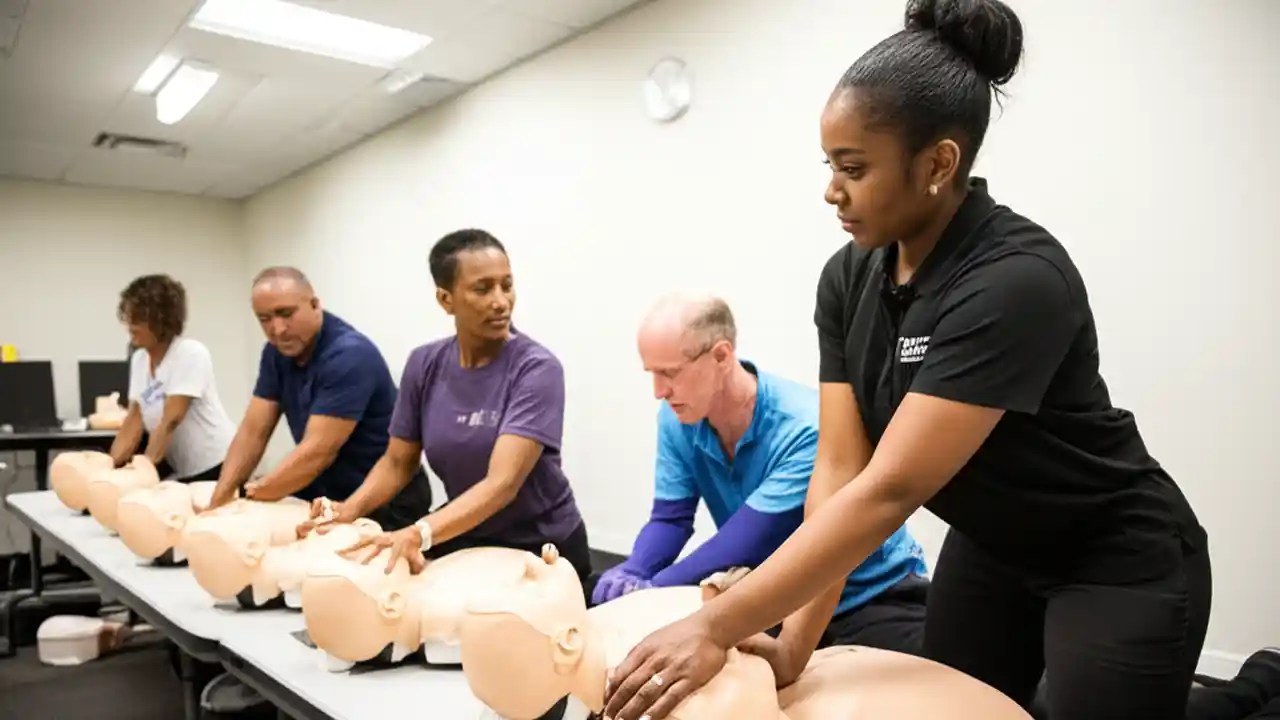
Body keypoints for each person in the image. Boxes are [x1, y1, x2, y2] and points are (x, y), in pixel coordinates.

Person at [601, 2, 1211, 720]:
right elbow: (841, 471)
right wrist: (798, 640)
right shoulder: (848, 277)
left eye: (853, 168)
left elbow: (890, 491)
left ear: (937, 164)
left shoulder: (1015, 280)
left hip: (1112, 553)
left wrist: (713, 627)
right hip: (993, 546)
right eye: (829, 164)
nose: (832, 189)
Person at [592, 292, 928, 656]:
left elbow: (749, 540)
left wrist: (649, 593)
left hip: (870, 594)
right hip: (778, 598)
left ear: (721, 356)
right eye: (652, 374)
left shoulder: (805, 428)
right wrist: (631, 572)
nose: (659, 391)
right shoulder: (679, 416)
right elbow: (670, 519)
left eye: (670, 373)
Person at [317, 229, 593, 581]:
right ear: (446, 300)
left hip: (541, 545)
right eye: (483, 288)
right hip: (469, 534)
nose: (500, 301)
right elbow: (398, 461)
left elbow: (502, 483)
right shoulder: (424, 364)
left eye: (506, 285)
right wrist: (348, 510)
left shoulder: (536, 369)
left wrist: (421, 532)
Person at [206, 267, 432, 533]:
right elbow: (253, 432)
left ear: (315, 305)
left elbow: (318, 452)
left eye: (286, 314)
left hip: (385, 497)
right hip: (326, 492)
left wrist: (252, 496)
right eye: (265, 319)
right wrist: (219, 502)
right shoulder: (276, 354)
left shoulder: (349, 355)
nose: (277, 329)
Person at [108, 274, 234, 482]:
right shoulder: (139, 360)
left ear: (161, 321)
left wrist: (143, 471)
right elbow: (134, 420)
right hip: (185, 467)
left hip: (218, 463)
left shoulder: (189, 353)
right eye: (129, 318)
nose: (130, 327)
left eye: (138, 319)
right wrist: (109, 469)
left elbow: (171, 420)